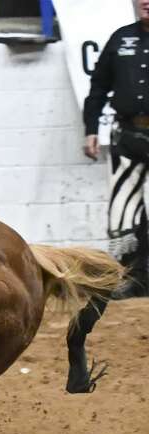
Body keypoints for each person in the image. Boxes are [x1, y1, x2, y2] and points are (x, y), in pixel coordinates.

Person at [83, 0, 149, 298]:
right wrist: (91, 130)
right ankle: (130, 277)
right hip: (129, 136)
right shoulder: (121, 38)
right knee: (123, 208)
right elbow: (97, 87)